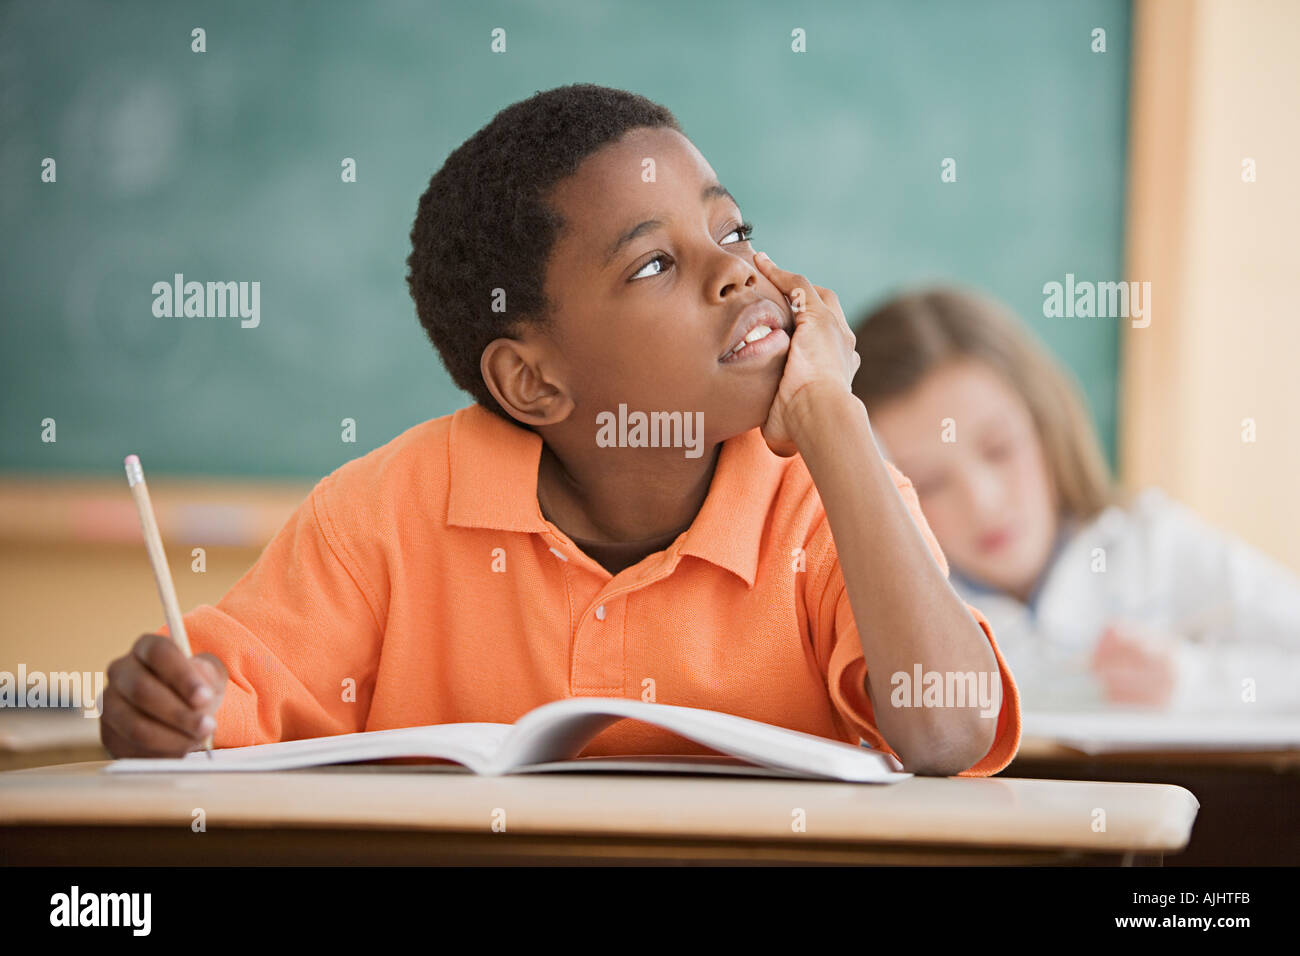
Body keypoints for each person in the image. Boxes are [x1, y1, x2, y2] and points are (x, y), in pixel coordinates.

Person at [99, 85, 1021, 776]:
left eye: (734, 230)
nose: (735, 273)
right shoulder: (380, 518)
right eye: (655, 262)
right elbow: (221, 707)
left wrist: (834, 417)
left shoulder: (831, 493)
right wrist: (167, 710)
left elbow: (947, 729)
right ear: (533, 382)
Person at [852, 287, 1300, 714]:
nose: (983, 504)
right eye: (927, 483)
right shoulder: (880, 611)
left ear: (1047, 423)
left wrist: (1189, 679)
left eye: (1000, 448)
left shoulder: (1152, 545)